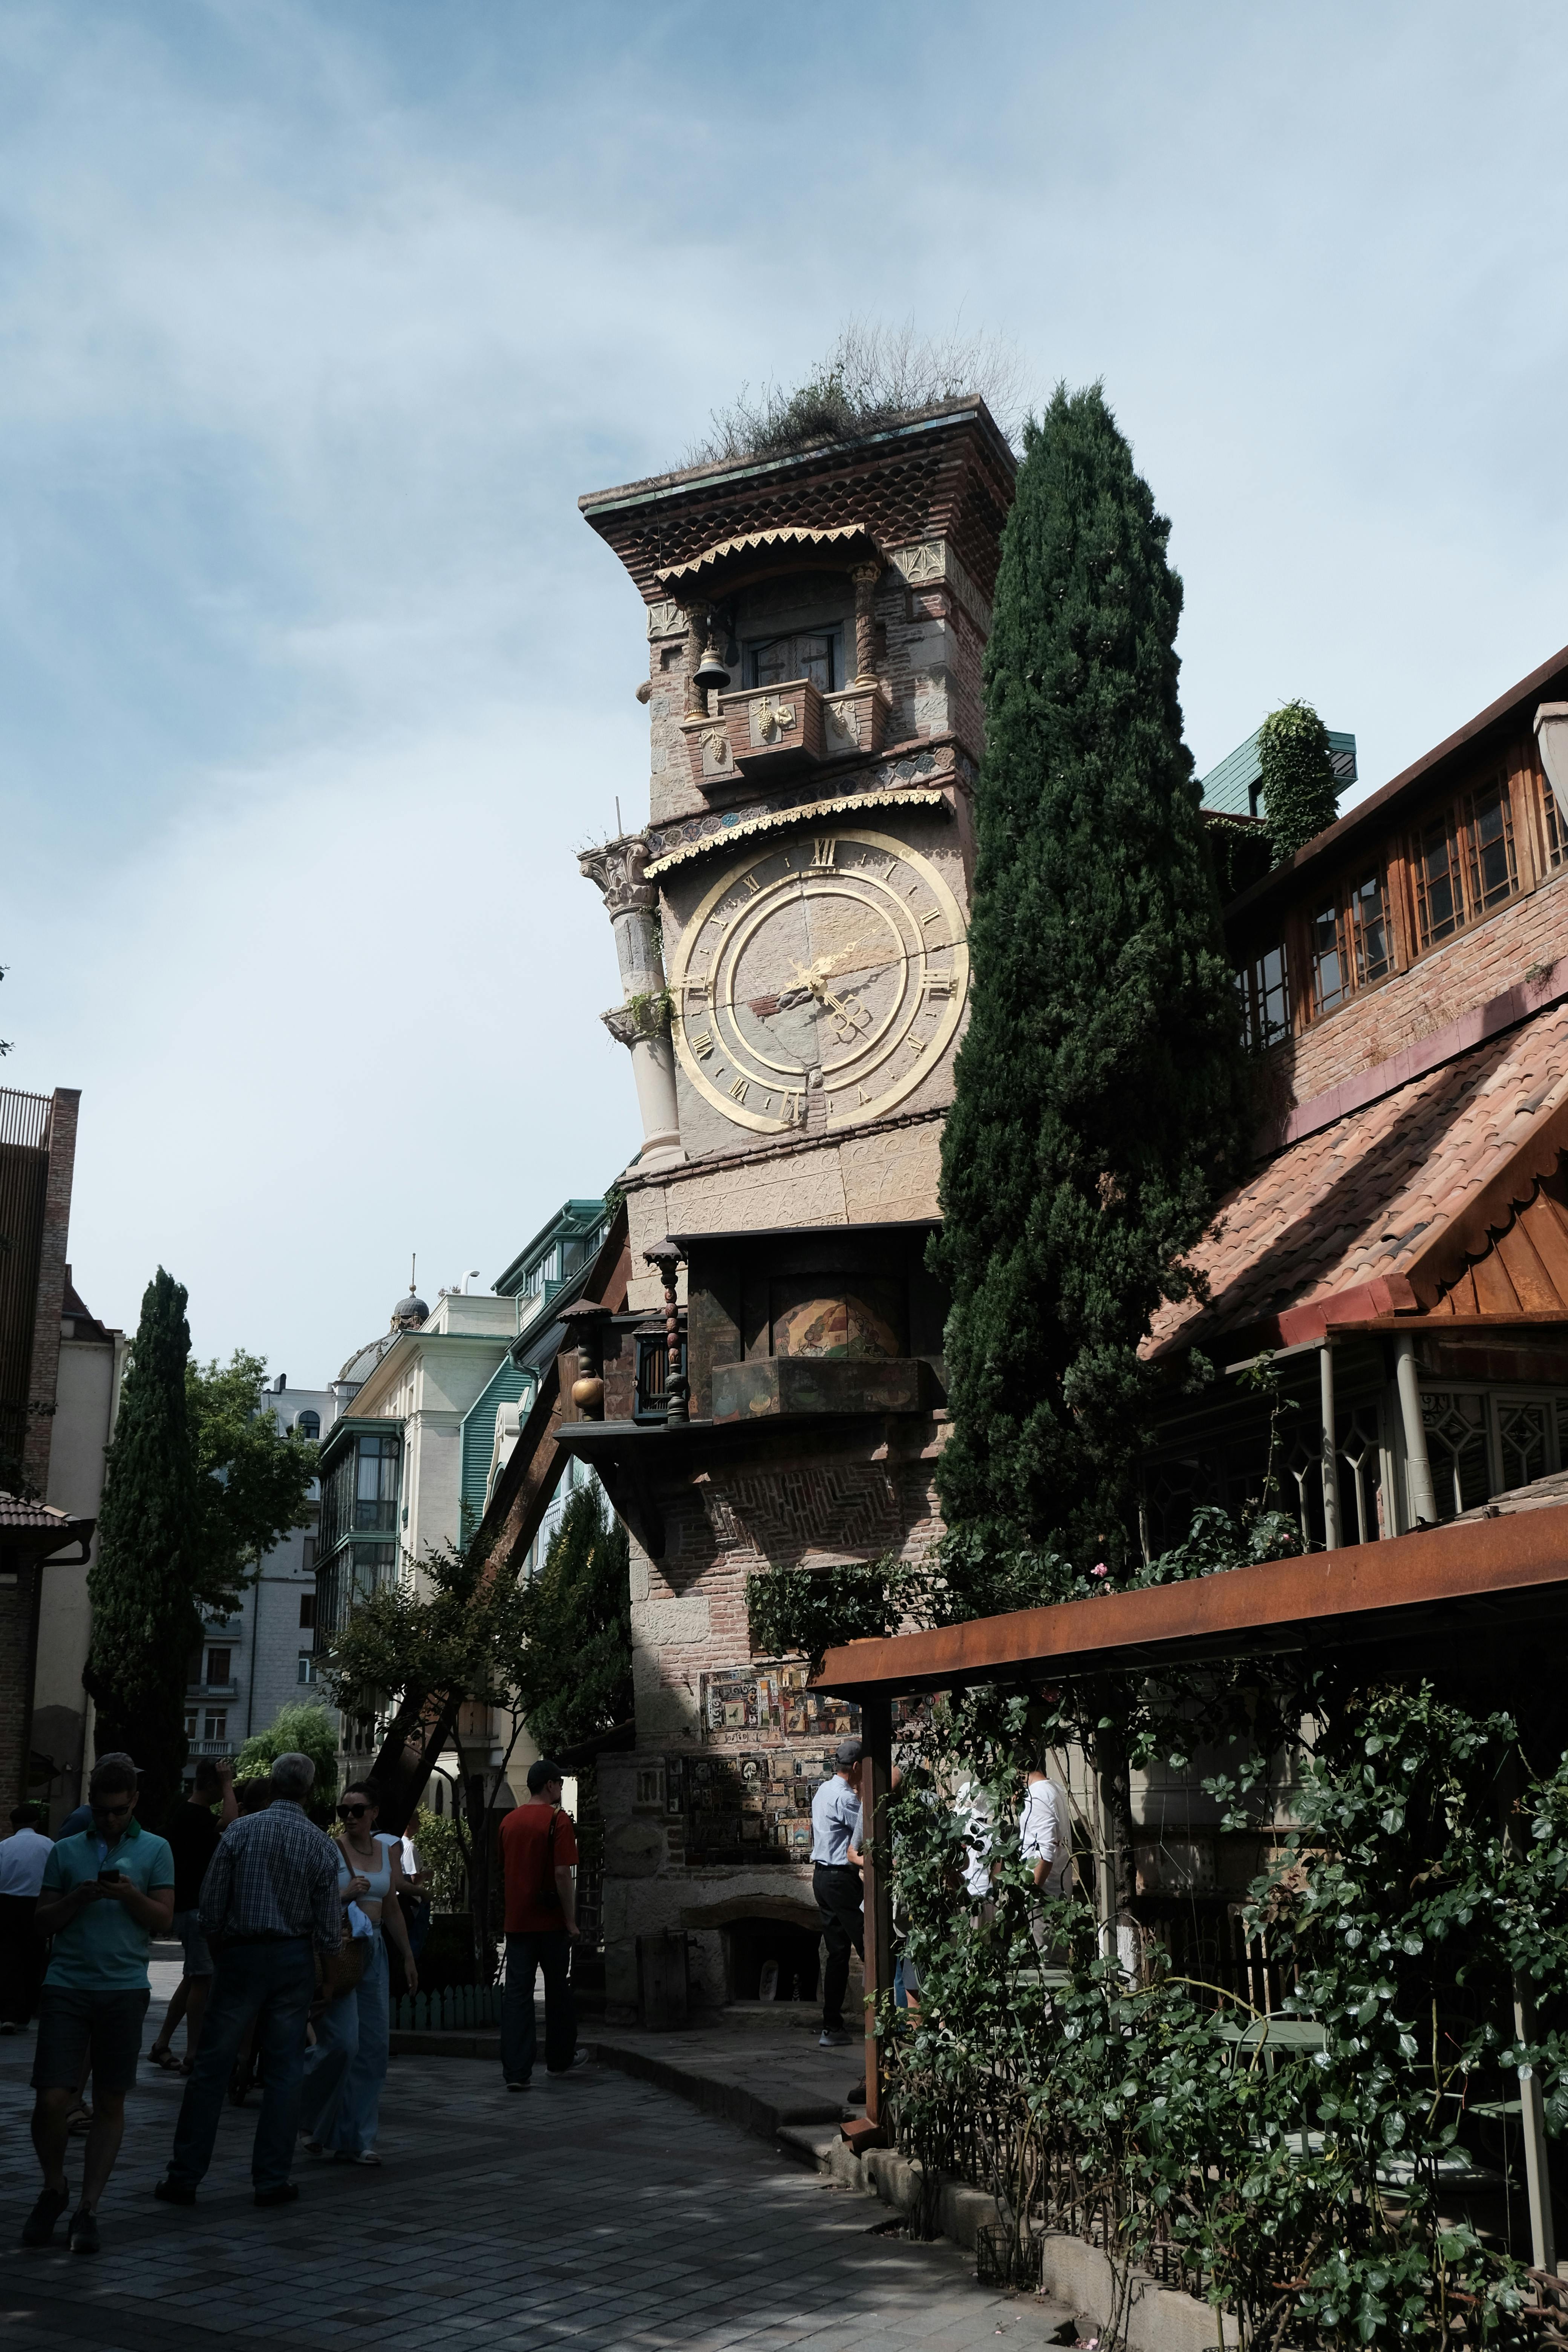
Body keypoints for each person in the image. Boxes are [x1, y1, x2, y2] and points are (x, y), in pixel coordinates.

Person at [154, 1751, 341, 2211]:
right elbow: (329, 1929)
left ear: (273, 1787)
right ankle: (272, 2180)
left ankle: (184, 2177)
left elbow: (211, 1908)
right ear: (309, 1791)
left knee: (212, 2067)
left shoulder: (239, 1832)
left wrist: (225, 1952)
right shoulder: (320, 1844)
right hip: (293, 1959)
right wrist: (329, 1979)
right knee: (284, 2072)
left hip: (240, 1955)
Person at [21, 1753, 175, 2254]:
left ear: (133, 1803)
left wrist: (130, 1896)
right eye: (101, 1811)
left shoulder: (156, 1849)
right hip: (67, 1984)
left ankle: (88, 2207)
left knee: (110, 2099)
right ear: (91, 1804)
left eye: (118, 1811)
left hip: (124, 1988)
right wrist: (76, 1900)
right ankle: (54, 2185)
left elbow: (164, 1921)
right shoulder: (66, 1850)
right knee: (52, 2099)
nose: (109, 1821)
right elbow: (42, 1921)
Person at [298, 1779, 419, 2164]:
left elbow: (393, 1908)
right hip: (340, 1951)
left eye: (357, 1810)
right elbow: (306, 1905)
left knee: (373, 2050)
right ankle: (303, 2102)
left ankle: (358, 2138)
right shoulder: (329, 1850)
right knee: (343, 2045)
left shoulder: (387, 1851)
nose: (349, 1817)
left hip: (375, 1953)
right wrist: (345, 1896)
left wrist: (408, 1956)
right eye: (343, 1811)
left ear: (374, 1813)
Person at [499, 1758, 589, 2089]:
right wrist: (571, 1920)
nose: (561, 1789)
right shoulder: (558, 1820)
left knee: (518, 1997)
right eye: (560, 1784)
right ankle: (559, 2060)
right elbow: (563, 1873)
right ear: (550, 1785)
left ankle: (517, 2073)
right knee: (558, 1992)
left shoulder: (508, 1821)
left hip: (517, 1922)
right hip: (550, 1923)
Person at [148, 1760, 238, 2073]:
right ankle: (194, 2053)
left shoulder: (186, 1814)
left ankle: (161, 2043)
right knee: (203, 1980)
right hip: (196, 1909)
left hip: (188, 1907)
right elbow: (231, 1822)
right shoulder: (194, 1815)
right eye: (223, 1786)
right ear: (211, 1786)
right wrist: (228, 1784)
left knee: (193, 1978)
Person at [811, 1737, 864, 2050]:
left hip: (821, 1878)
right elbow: (866, 1832)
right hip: (839, 1879)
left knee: (838, 1954)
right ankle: (885, 2019)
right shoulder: (845, 1798)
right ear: (856, 1768)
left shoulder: (823, 1790)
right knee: (870, 1944)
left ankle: (831, 2026)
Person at [0, 1805, 54, 2033]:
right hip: (38, 1904)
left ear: (13, 1825)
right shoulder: (50, 1846)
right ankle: (27, 2011)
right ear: (36, 1824)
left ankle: (8, 2014)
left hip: (7, 1905)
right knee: (34, 1957)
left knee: (9, 1958)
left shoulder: (4, 1846)